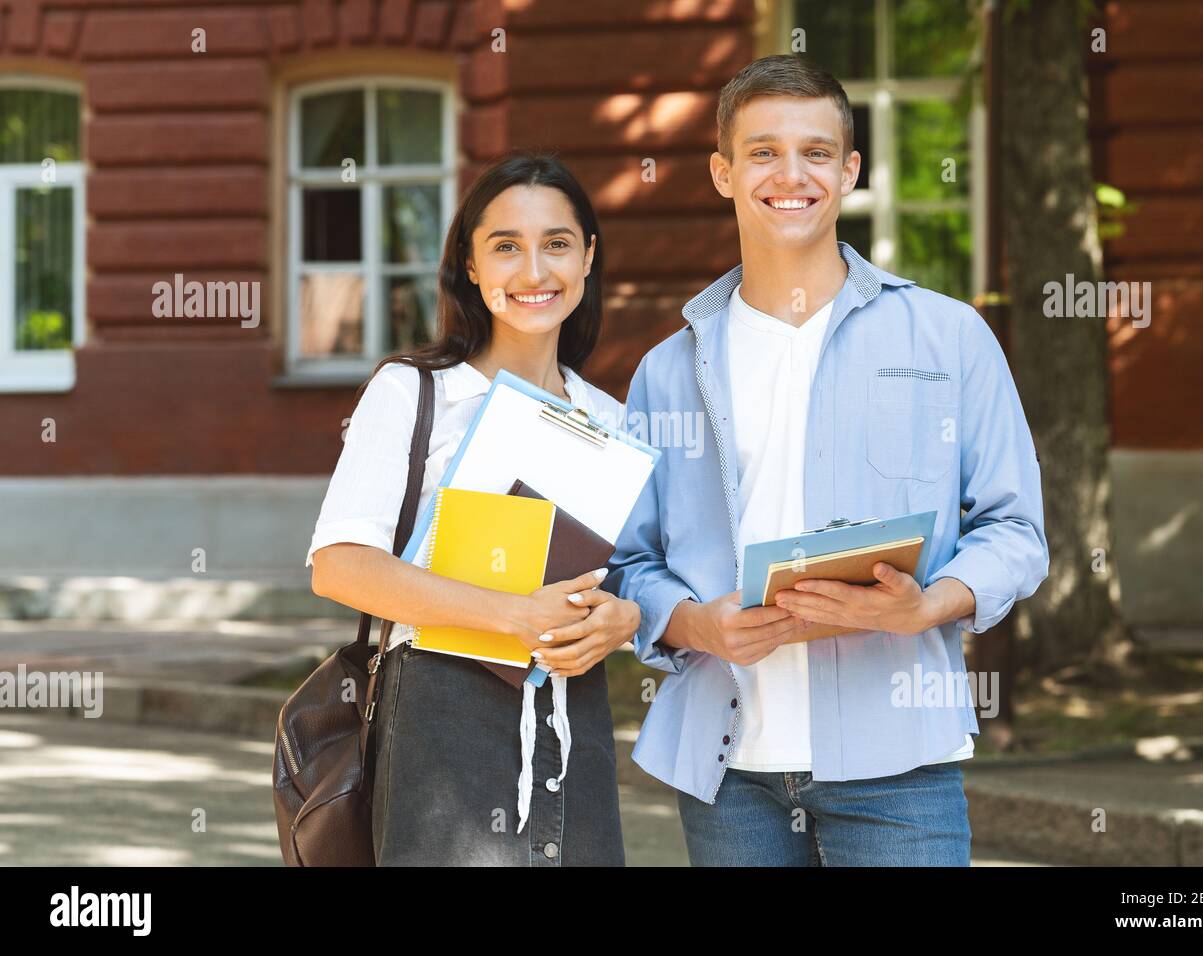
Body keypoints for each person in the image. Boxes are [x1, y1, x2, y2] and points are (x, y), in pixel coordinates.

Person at [607, 55, 1049, 866]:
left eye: (815, 152)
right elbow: (630, 561)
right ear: (723, 172)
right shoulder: (667, 370)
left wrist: (928, 605)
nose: (790, 174)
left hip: (898, 768)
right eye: (764, 151)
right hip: (726, 771)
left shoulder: (948, 338)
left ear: (849, 170)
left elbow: (1016, 530)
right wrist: (696, 622)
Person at [307, 153, 639, 866]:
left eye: (556, 244)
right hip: (440, 714)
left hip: (571, 715)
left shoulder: (611, 421)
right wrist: (513, 616)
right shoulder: (412, 393)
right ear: (470, 263)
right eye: (506, 247)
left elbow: (630, 577)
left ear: (587, 258)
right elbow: (338, 566)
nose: (533, 272)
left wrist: (626, 618)